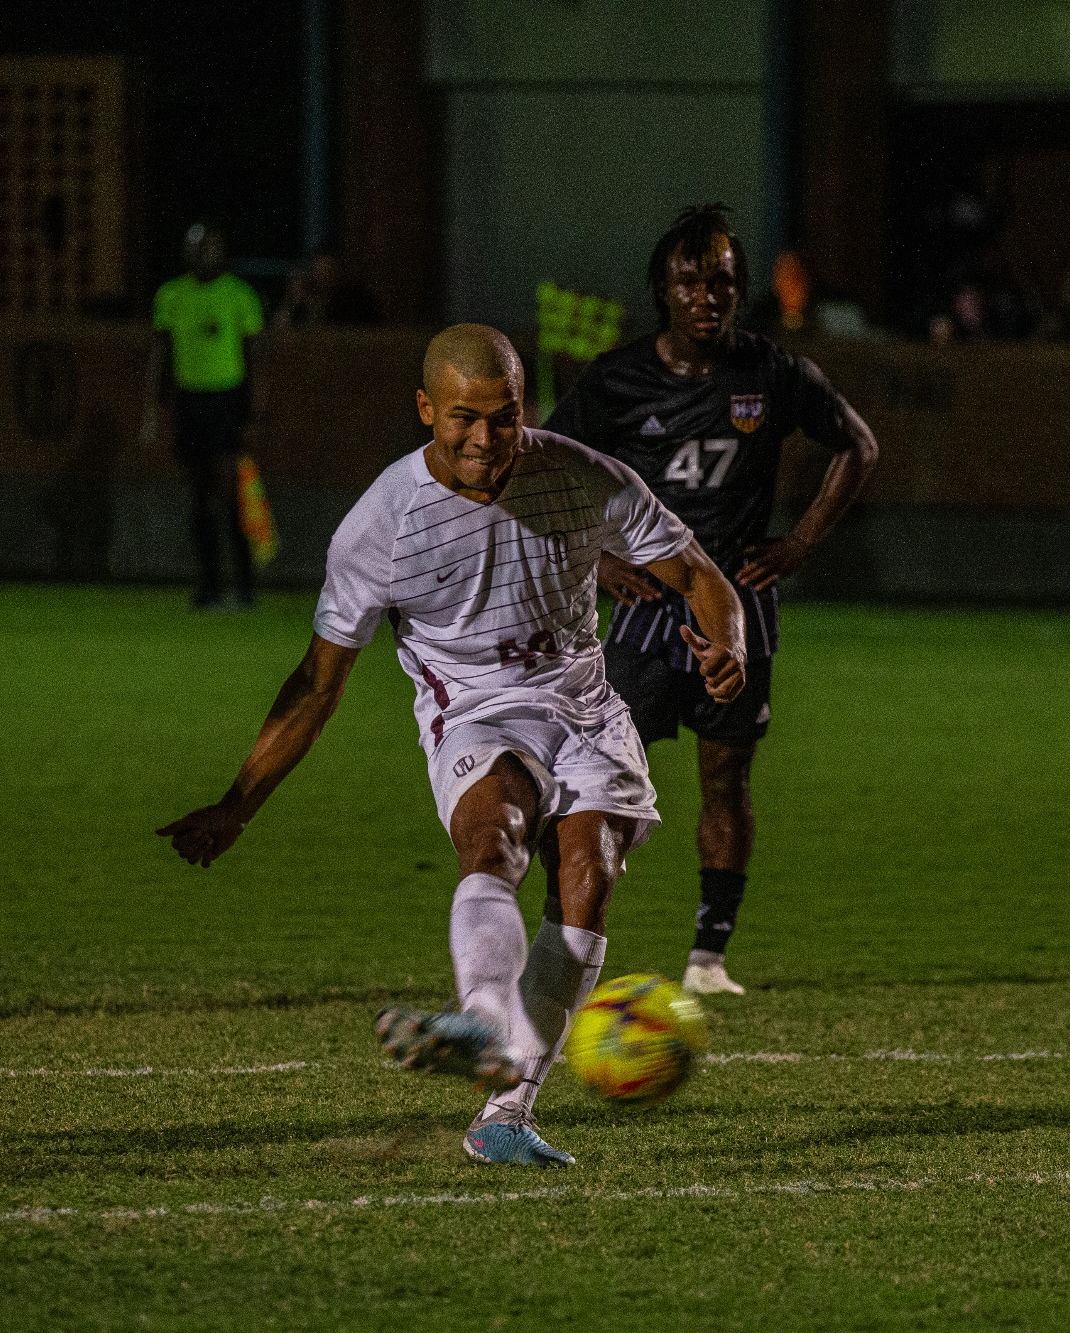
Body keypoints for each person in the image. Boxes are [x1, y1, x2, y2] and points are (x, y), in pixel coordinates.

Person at [156, 324, 745, 1167]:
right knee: (496, 833)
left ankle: (505, 1114)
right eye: (464, 417)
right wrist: (237, 804)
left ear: (524, 408)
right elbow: (317, 683)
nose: (486, 438)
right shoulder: (381, 524)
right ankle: (482, 1019)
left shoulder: (580, 475)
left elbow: (698, 573)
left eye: (504, 417)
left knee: (588, 877)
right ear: (426, 408)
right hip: (472, 712)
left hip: (584, 709)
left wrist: (729, 645)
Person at [545, 203, 879, 996]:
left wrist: (800, 542)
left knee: (725, 778)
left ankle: (707, 958)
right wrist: (599, 560)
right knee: (594, 778)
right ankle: (563, 945)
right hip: (649, 610)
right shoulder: (618, 379)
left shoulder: (772, 373)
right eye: (690, 281)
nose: (707, 296)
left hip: (740, 604)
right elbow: (551, 469)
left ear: (739, 288)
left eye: (722, 281)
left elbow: (858, 445)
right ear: (663, 289)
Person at [143, 224, 266, 609]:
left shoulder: (239, 294)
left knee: (228, 491)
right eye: (196, 247)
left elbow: (255, 359)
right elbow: (160, 355)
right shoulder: (170, 295)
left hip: (226, 400)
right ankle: (209, 585)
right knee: (199, 495)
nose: (203, 254)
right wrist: (152, 409)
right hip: (189, 399)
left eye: (210, 246)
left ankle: (244, 585)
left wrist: (254, 414)